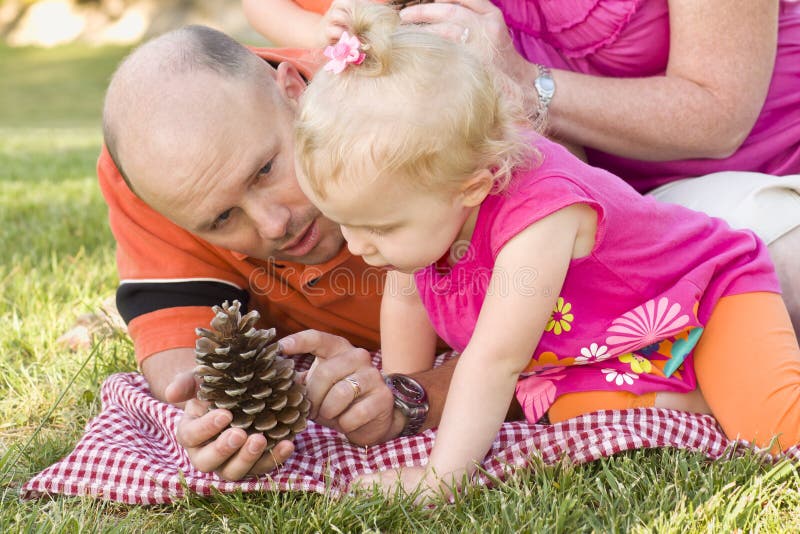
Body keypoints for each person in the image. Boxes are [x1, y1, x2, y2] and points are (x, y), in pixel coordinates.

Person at [291, 2, 800, 498]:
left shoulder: (541, 215)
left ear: (471, 188)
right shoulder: (430, 200)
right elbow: (406, 300)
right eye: (346, 224)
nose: (359, 246)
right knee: (579, 417)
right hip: (603, 344)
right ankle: (710, 388)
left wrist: (441, 478)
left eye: (378, 227)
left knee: (776, 435)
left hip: (702, 300)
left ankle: (738, 377)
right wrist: (399, 408)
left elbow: (495, 360)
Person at [243, 0, 800, 336]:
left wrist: (522, 79)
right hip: (579, 197)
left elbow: (717, 120)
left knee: (771, 268)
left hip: (749, 181)